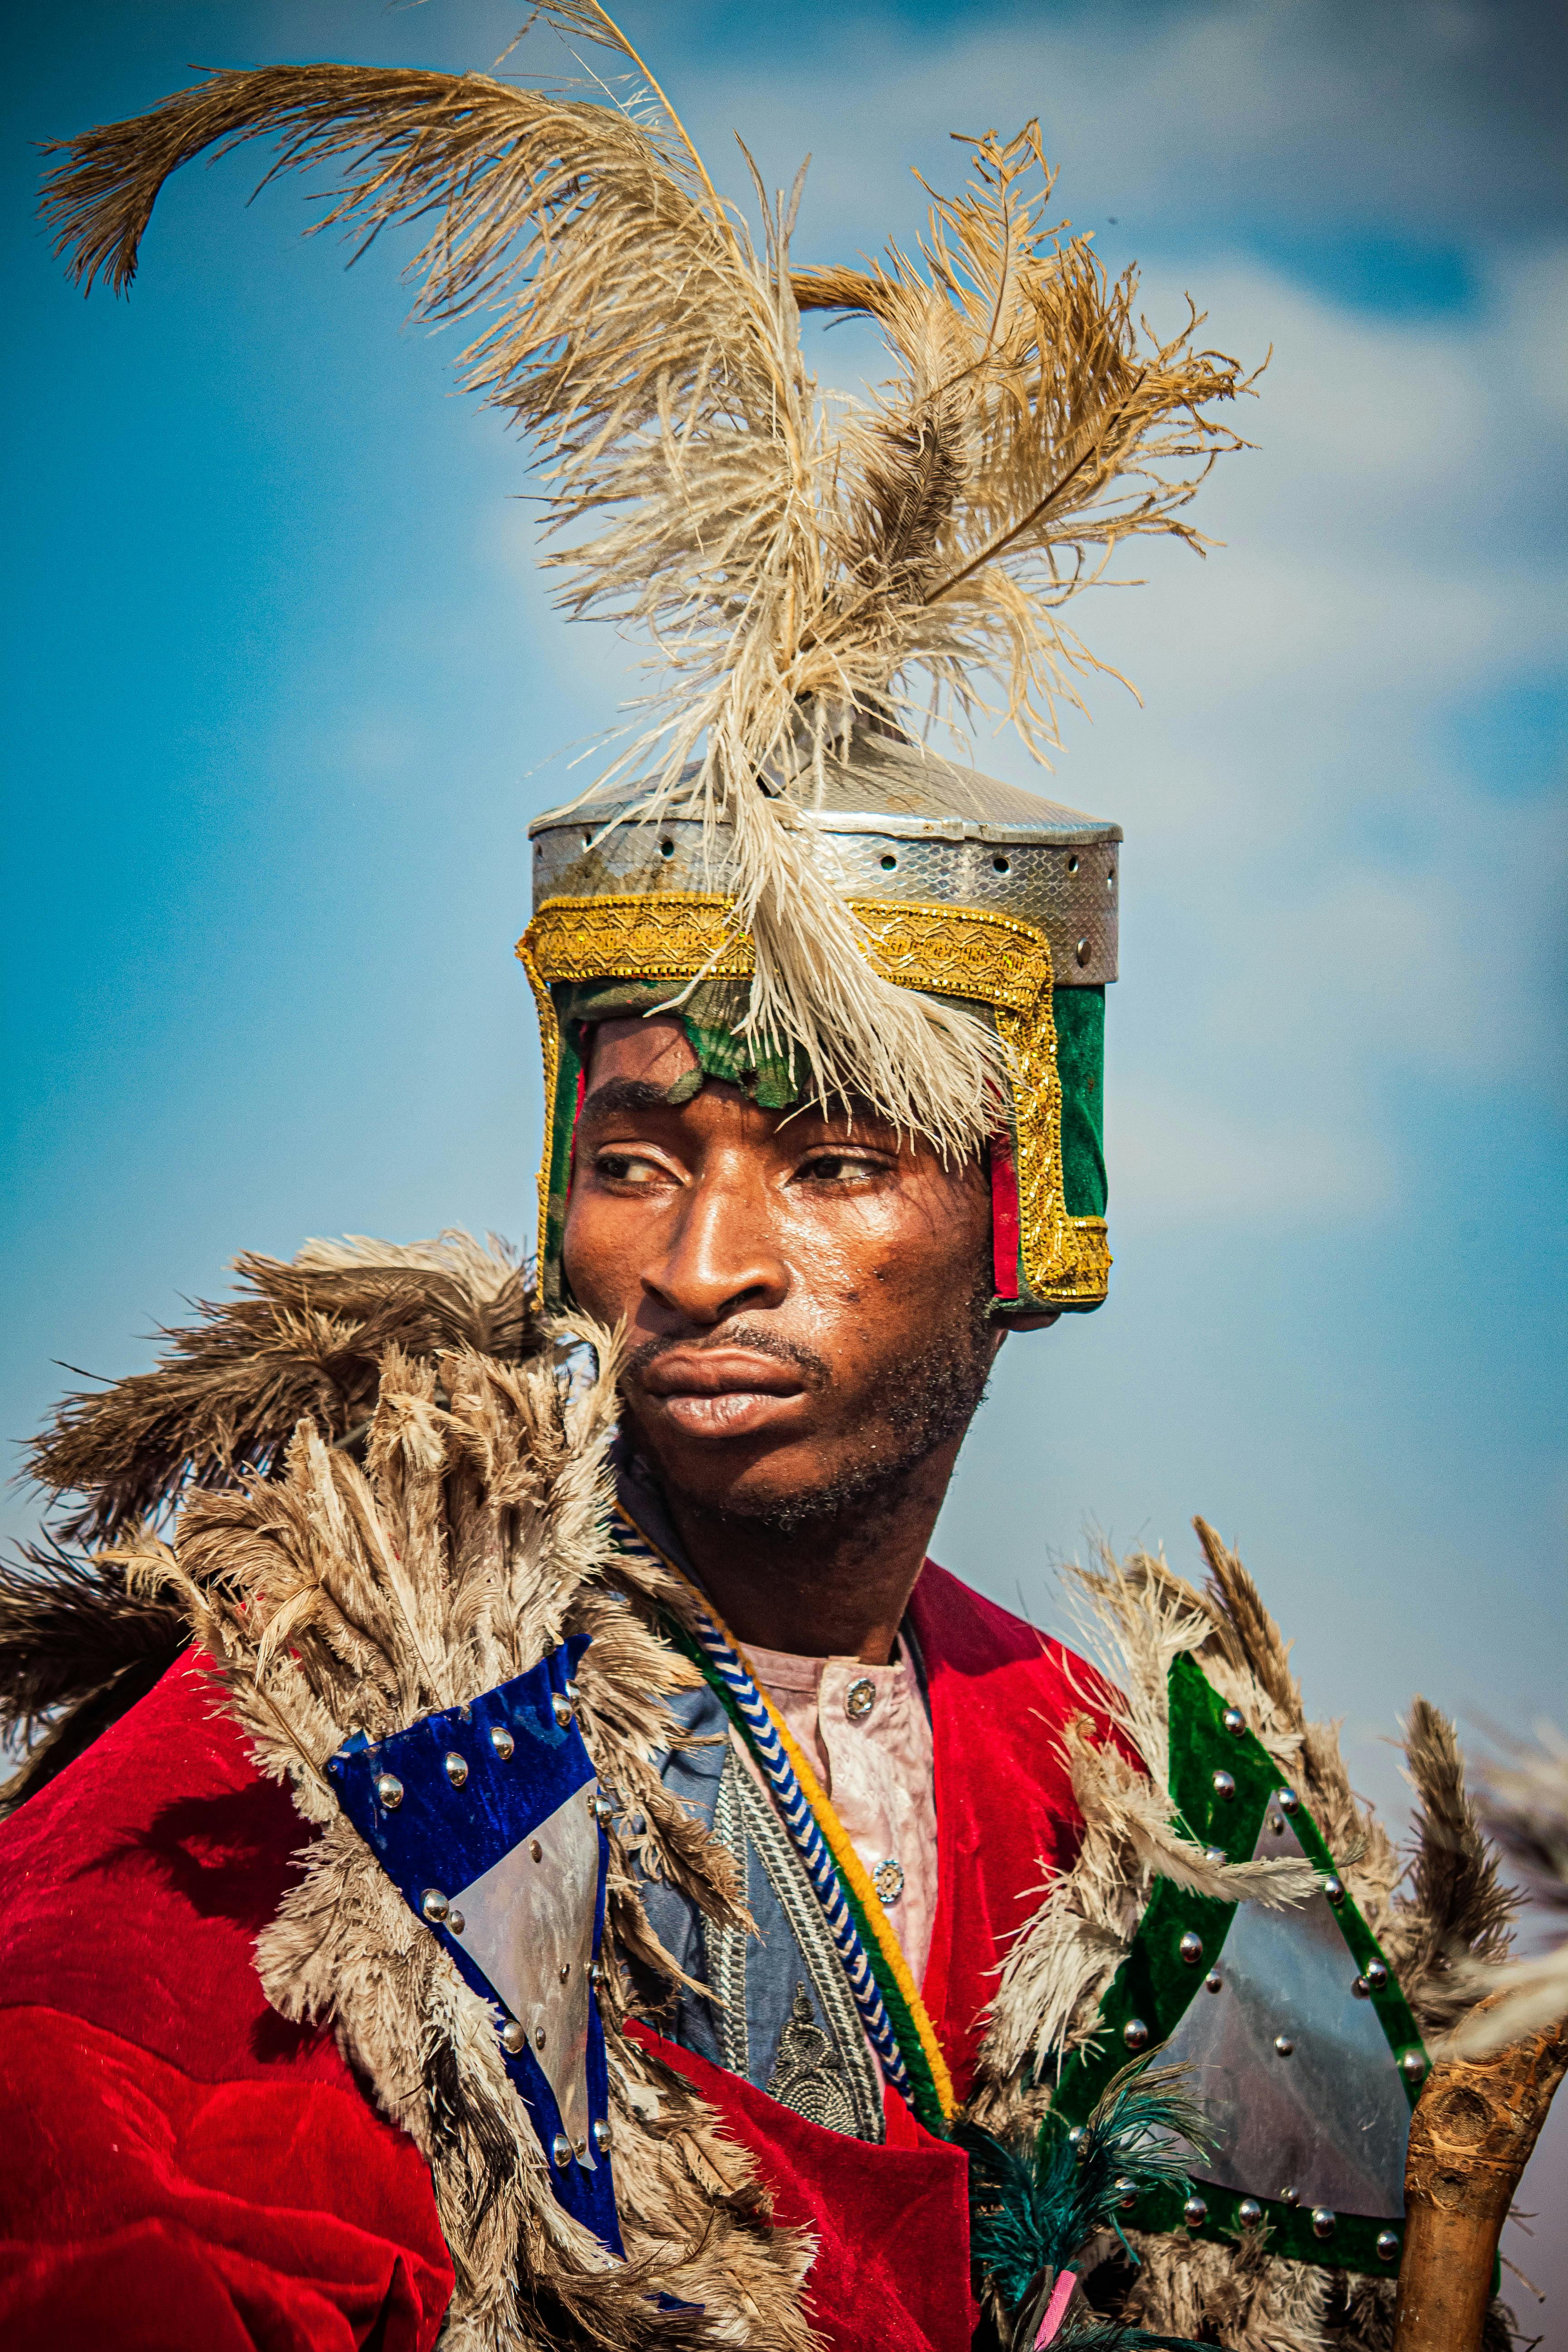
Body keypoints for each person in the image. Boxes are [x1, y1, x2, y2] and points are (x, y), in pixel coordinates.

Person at [0, 9, 1539, 2349]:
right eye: (636, 1160)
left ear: (1028, 1218)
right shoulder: (324, 1727)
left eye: (830, 1165)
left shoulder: (1153, 1803)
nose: (705, 1264)